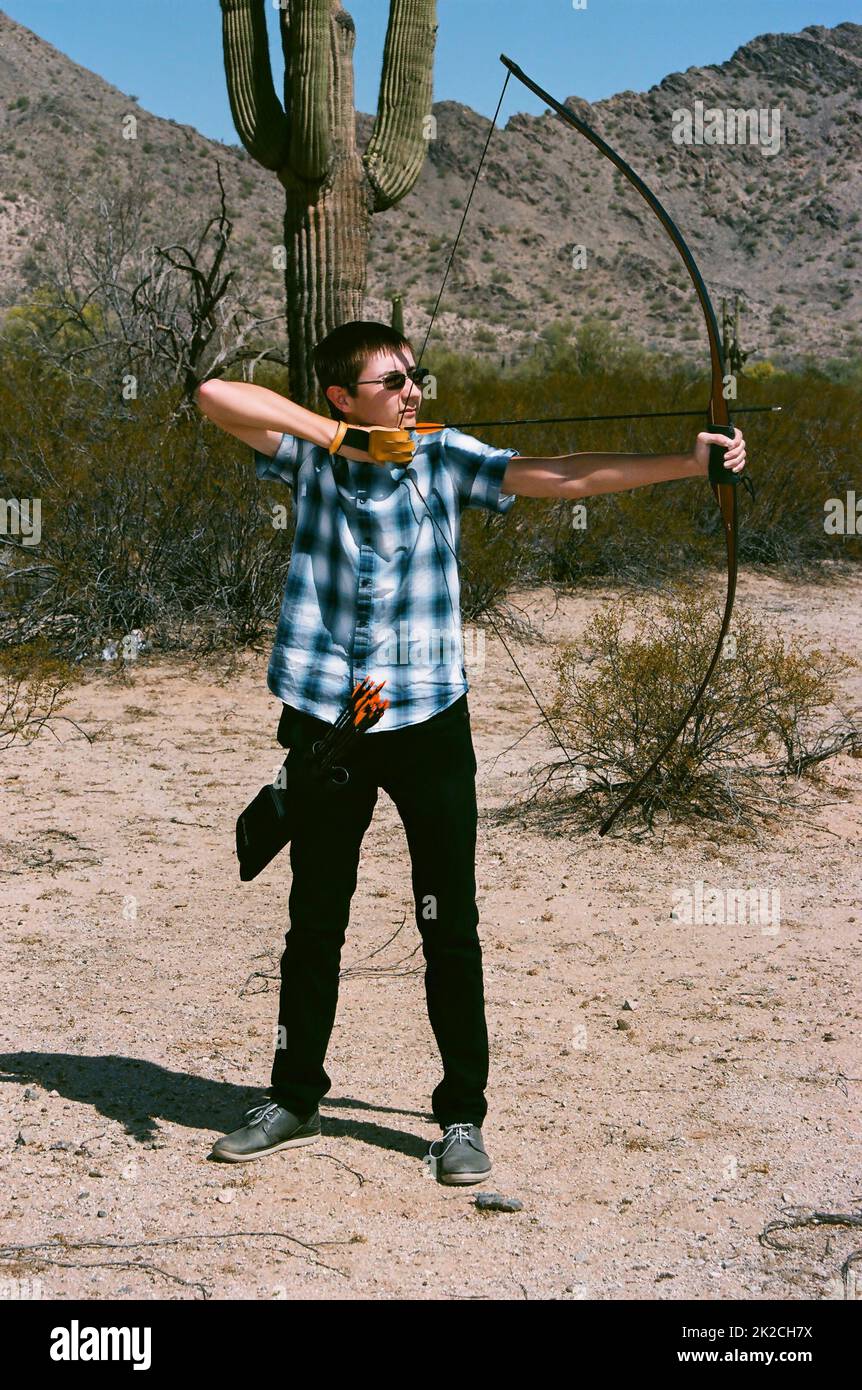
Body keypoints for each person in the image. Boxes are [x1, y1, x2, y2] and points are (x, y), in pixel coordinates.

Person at [194, 320, 747, 1184]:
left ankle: (460, 1116)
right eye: (393, 382)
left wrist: (688, 462)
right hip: (329, 723)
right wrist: (341, 438)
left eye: (417, 377)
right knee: (315, 924)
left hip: (428, 726)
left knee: (449, 925)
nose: (413, 392)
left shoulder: (444, 456)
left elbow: (563, 476)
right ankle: (294, 1097)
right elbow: (214, 397)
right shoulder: (310, 455)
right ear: (341, 395)